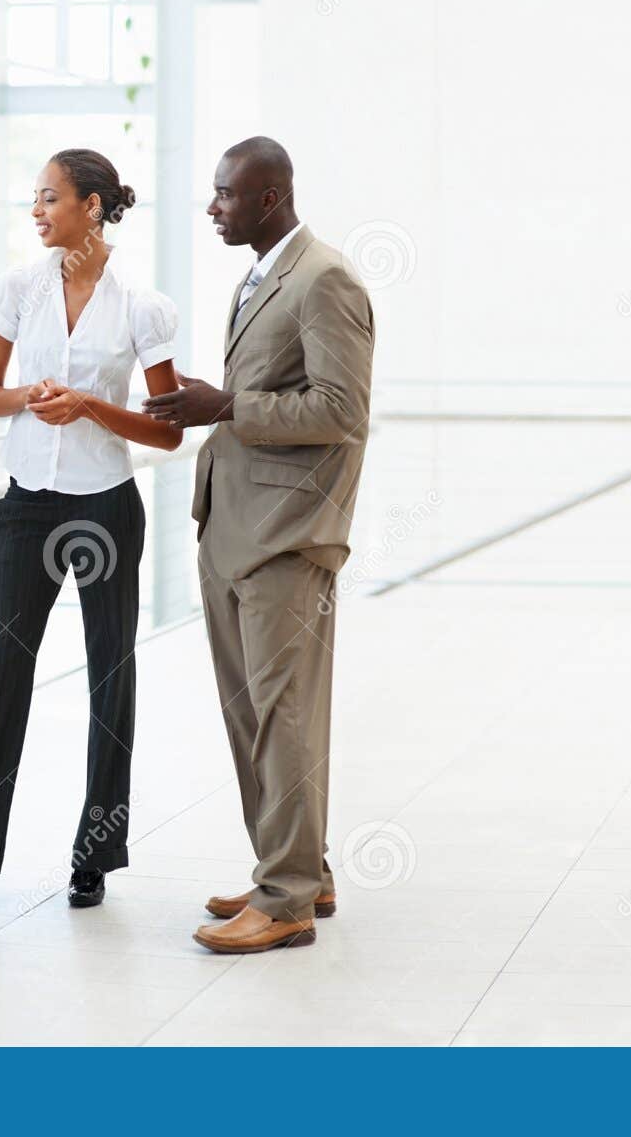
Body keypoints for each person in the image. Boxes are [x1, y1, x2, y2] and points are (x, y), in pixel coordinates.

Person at [0, 149, 181, 911]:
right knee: (1, 674)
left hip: (106, 506)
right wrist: (32, 394)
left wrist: (90, 406)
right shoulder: (18, 289)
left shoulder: (141, 305)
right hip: (28, 504)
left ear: (91, 207)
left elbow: (166, 432)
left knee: (109, 675)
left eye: (49, 197)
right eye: (34, 198)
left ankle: (95, 853)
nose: (36, 210)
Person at [144, 136, 375, 954]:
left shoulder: (326, 279)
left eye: (226, 195)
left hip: (287, 535)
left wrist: (227, 406)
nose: (213, 207)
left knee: (284, 715)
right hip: (234, 526)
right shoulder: (263, 274)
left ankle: (286, 902)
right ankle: (298, 866)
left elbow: (341, 410)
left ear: (270, 196)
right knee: (253, 712)